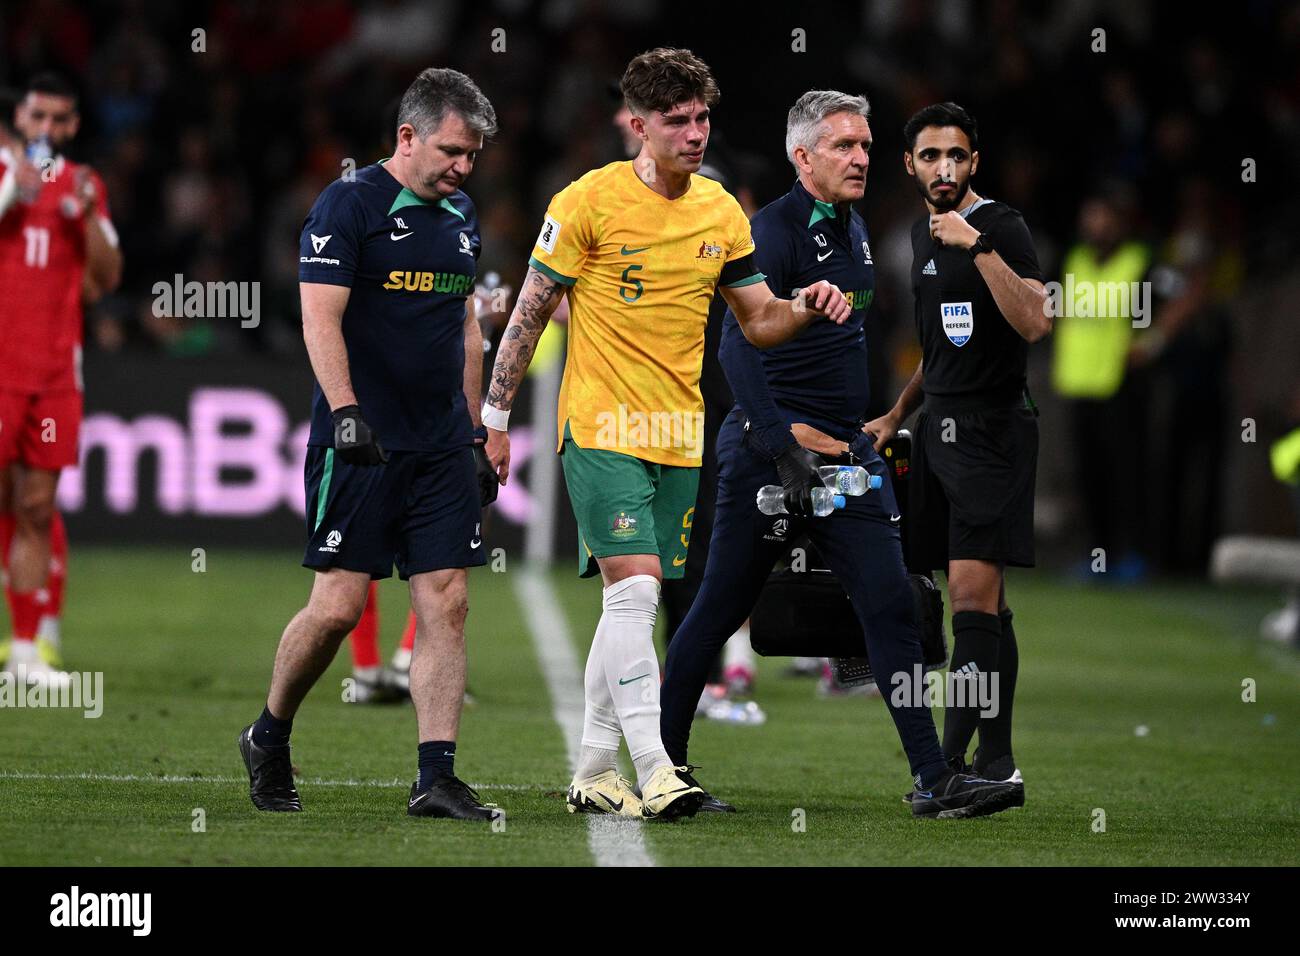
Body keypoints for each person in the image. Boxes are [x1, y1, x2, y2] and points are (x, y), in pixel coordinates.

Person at [482, 48, 852, 819]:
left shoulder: (721, 211)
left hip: (678, 433)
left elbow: (758, 321)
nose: (694, 133)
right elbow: (527, 314)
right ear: (639, 126)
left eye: (702, 118)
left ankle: (591, 768)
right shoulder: (586, 201)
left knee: (629, 600)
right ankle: (655, 770)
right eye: (677, 121)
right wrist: (493, 419)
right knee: (643, 589)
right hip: (601, 425)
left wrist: (808, 304)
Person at [658, 90, 1020, 818]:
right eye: (843, 146)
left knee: (892, 607)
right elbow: (736, 342)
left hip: (844, 456)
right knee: (715, 608)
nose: (860, 157)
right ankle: (662, 766)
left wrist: (865, 434)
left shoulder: (852, 230)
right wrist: (779, 445)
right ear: (804, 157)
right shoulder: (775, 229)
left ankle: (932, 777)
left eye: (864, 144)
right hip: (772, 458)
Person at [238, 68, 501, 821]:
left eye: (474, 155)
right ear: (407, 135)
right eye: (453, 150)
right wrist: (346, 413)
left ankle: (436, 775)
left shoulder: (462, 215)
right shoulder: (347, 204)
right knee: (338, 608)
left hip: (442, 442)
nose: (463, 167)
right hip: (364, 441)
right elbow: (320, 317)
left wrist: (477, 426)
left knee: (446, 601)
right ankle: (269, 732)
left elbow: (465, 326)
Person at [865, 102, 1051, 804]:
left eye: (958, 156)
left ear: (976, 164)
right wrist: (896, 413)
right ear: (909, 165)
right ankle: (997, 760)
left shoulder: (1000, 227)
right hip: (939, 428)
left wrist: (978, 246)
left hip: (993, 432)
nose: (945, 168)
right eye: (931, 156)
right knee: (981, 606)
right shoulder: (919, 234)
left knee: (973, 594)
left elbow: (1036, 318)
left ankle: (945, 769)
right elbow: (941, 349)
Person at [0, 73, 122, 686]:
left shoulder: (84, 185)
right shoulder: (2, 174)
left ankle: (25, 652)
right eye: (38, 116)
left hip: (53, 377)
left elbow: (104, 280)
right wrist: (8, 196)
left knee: (35, 504)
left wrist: (91, 216)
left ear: (73, 126)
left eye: (60, 119)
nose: (48, 129)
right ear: (20, 118)